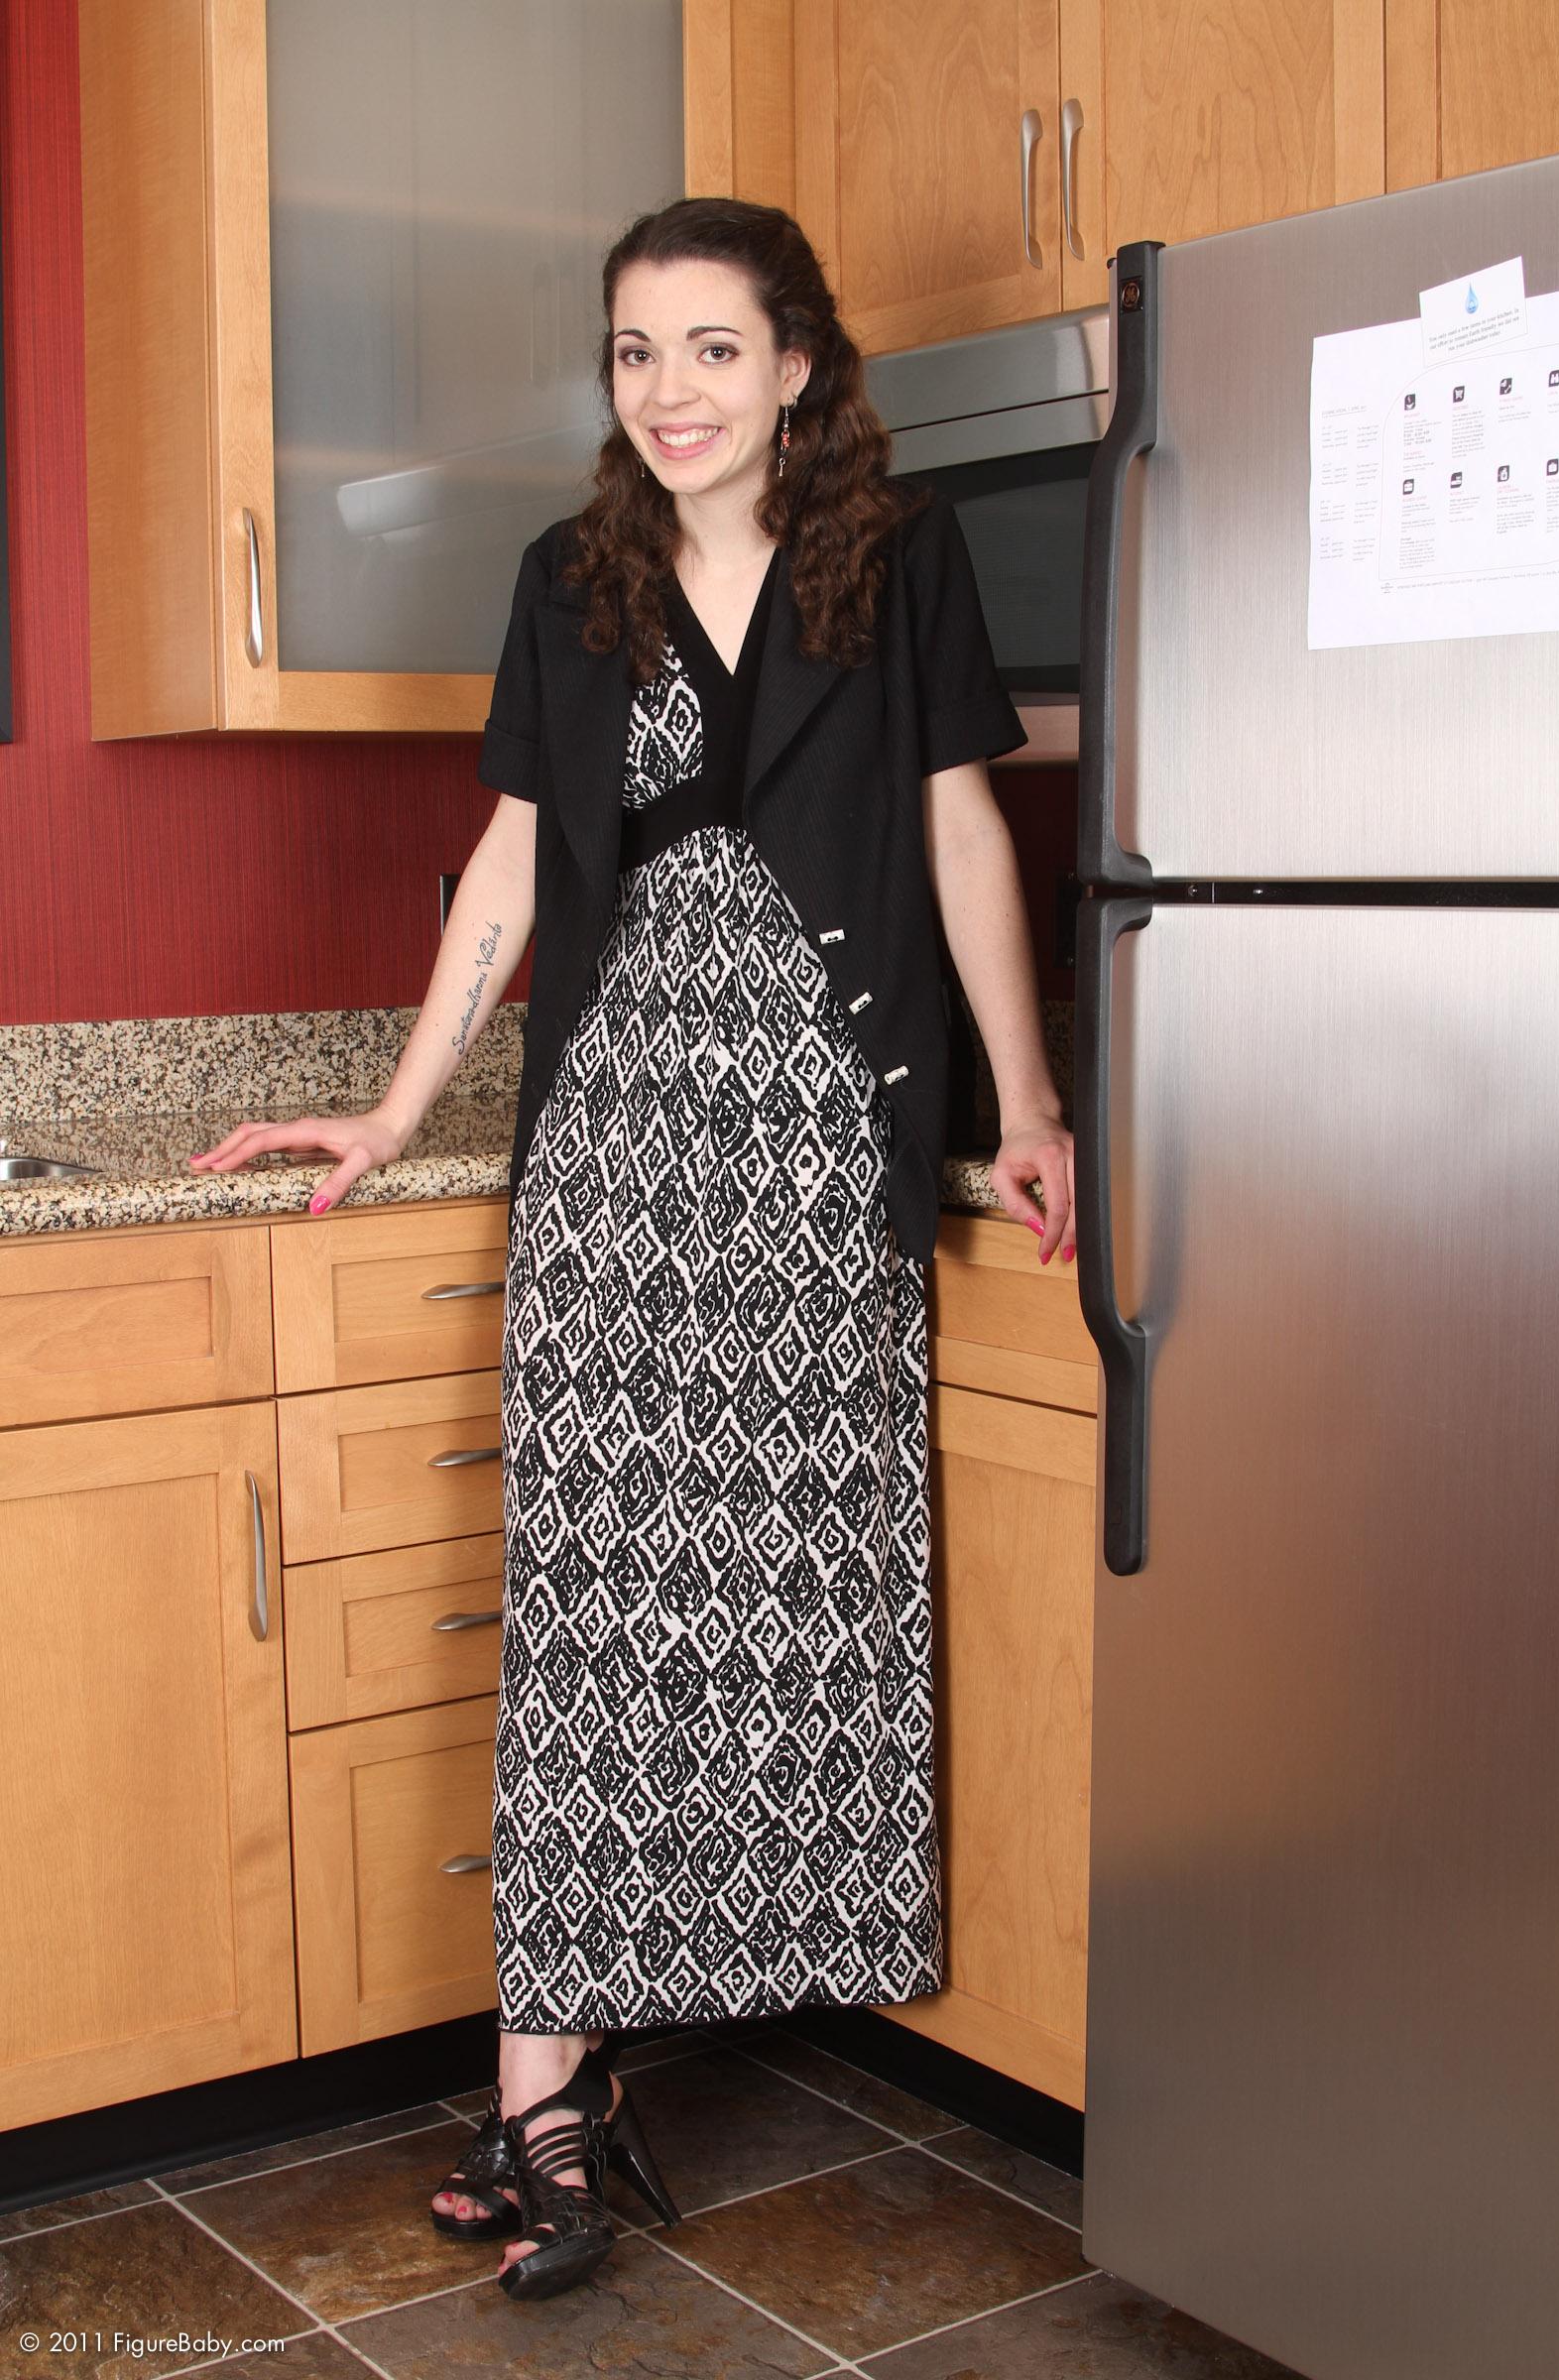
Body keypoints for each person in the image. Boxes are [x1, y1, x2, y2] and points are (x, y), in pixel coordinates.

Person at [190, 194, 1074, 2306]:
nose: (669, 391)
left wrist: (1025, 1106)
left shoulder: (901, 558)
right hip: (614, 1152)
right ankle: (544, 2091)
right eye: (633, 351)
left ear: (796, 366)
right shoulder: (567, 581)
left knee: (782, 1594)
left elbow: (960, 829)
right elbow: (508, 860)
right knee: (591, 1608)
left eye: (710, 347)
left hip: (818, 1148)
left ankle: (603, 2061)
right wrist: (399, 1106)